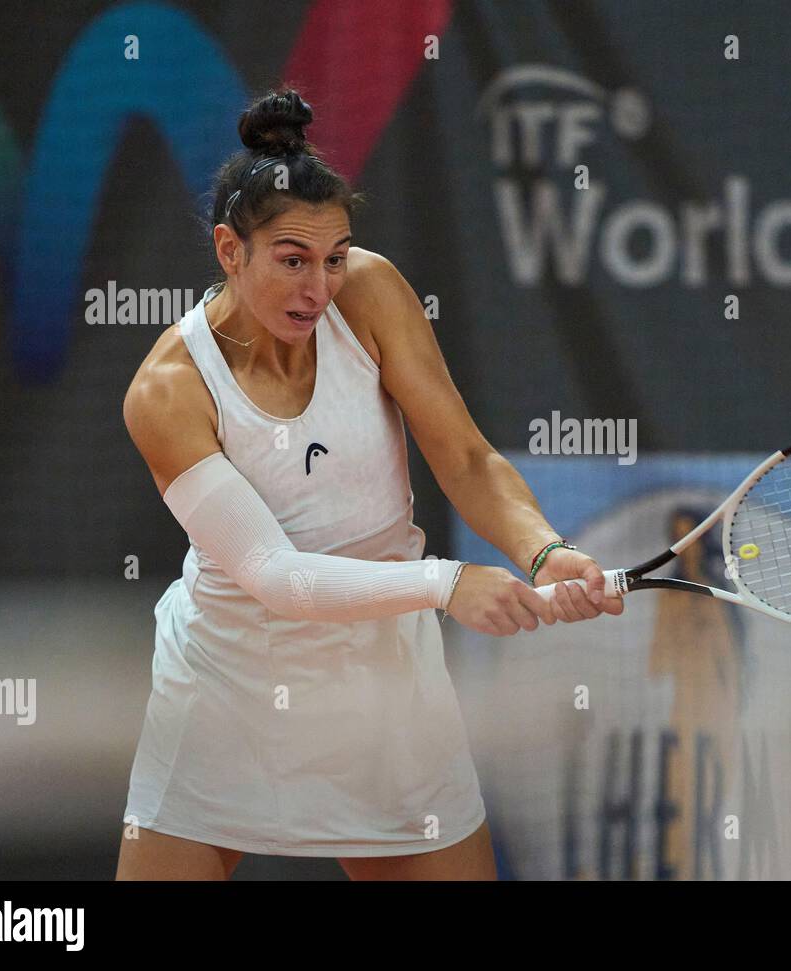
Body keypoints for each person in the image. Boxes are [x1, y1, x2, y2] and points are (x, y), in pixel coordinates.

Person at [115, 89, 623, 880]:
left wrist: (542, 547)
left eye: (334, 256)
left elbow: (465, 457)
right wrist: (447, 582)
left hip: (386, 688)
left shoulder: (372, 292)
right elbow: (275, 577)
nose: (319, 287)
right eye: (292, 260)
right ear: (228, 250)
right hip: (227, 691)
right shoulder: (167, 391)